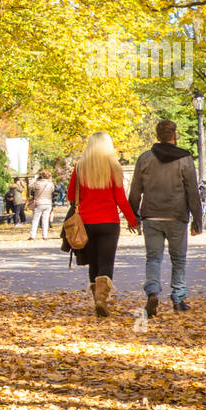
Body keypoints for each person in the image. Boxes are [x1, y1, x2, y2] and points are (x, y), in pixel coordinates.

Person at [128, 119, 202, 315]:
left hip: (151, 215)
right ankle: (178, 298)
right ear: (174, 135)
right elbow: (192, 192)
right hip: (176, 215)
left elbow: (135, 190)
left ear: (157, 136)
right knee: (178, 259)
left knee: (153, 257)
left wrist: (132, 215)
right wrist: (197, 219)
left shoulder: (145, 159)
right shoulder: (185, 160)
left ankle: (152, 291)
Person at [67, 132, 140, 317]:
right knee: (106, 263)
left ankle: (96, 300)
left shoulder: (80, 167)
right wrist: (132, 220)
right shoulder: (113, 166)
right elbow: (121, 199)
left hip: (86, 222)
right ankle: (102, 299)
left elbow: (70, 196)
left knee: (94, 263)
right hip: (109, 222)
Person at [28, 170, 55, 240]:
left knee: (35, 219)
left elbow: (30, 186)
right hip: (48, 203)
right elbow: (53, 190)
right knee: (45, 220)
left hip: (39, 203)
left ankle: (32, 236)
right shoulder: (51, 184)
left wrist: (35, 179)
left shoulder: (37, 183)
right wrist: (50, 180)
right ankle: (45, 236)